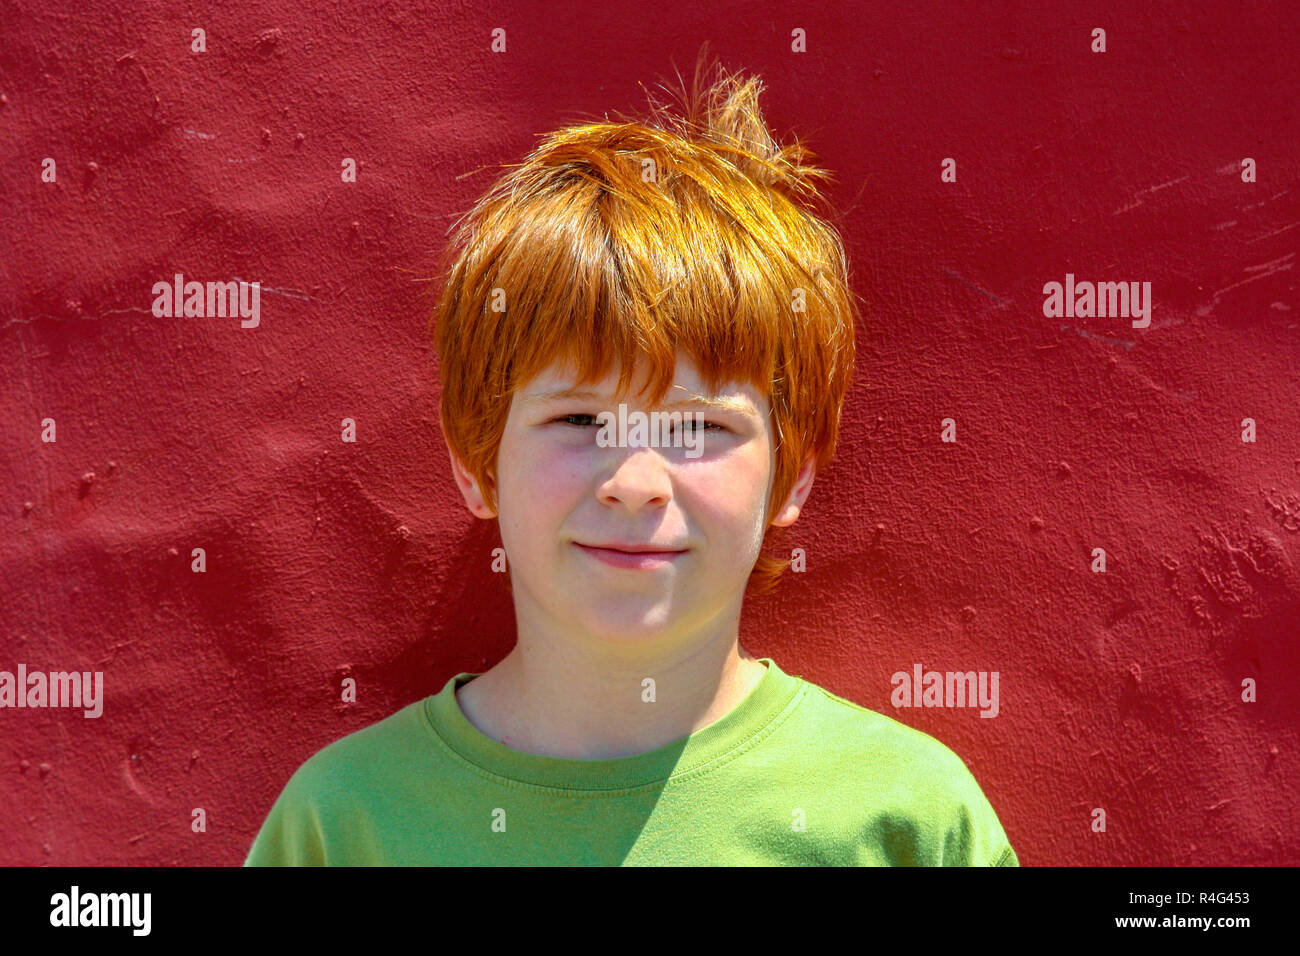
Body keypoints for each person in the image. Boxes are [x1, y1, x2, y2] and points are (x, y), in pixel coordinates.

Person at [244, 54, 1018, 866]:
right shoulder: (345, 825)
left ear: (793, 473)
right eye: (578, 417)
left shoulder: (908, 821)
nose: (635, 484)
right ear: (476, 461)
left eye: (698, 428)